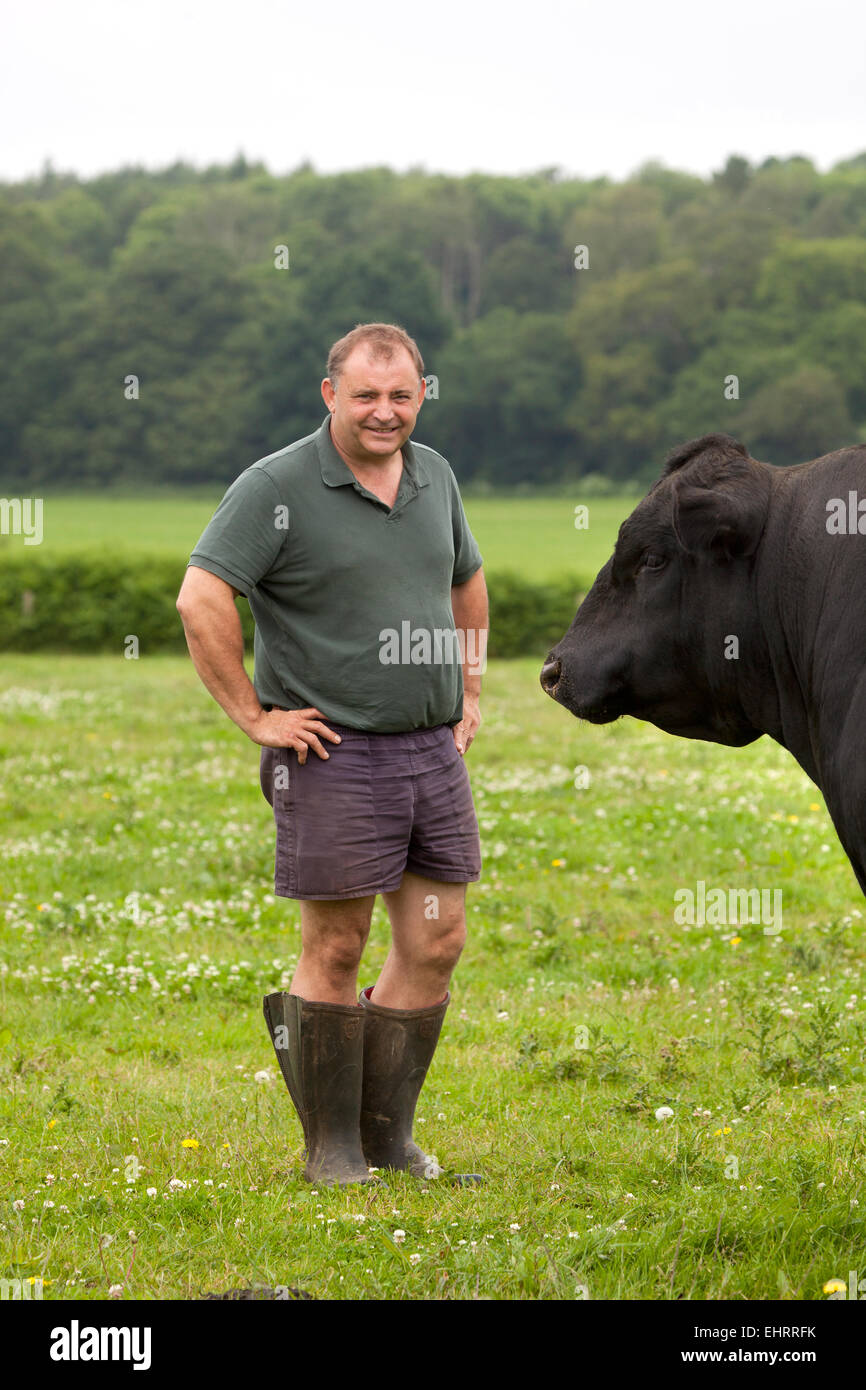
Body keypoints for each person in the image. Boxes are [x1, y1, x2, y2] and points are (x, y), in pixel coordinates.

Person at [176, 322, 488, 1186]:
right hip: (333, 754)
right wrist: (254, 717)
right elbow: (201, 598)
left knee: (438, 939)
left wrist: (469, 685)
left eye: (400, 395)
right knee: (339, 944)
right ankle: (333, 1150)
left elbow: (466, 579)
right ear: (330, 396)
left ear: (422, 394)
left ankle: (389, 1139)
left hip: (432, 751)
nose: (384, 413)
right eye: (366, 396)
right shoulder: (273, 486)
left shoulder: (436, 477)